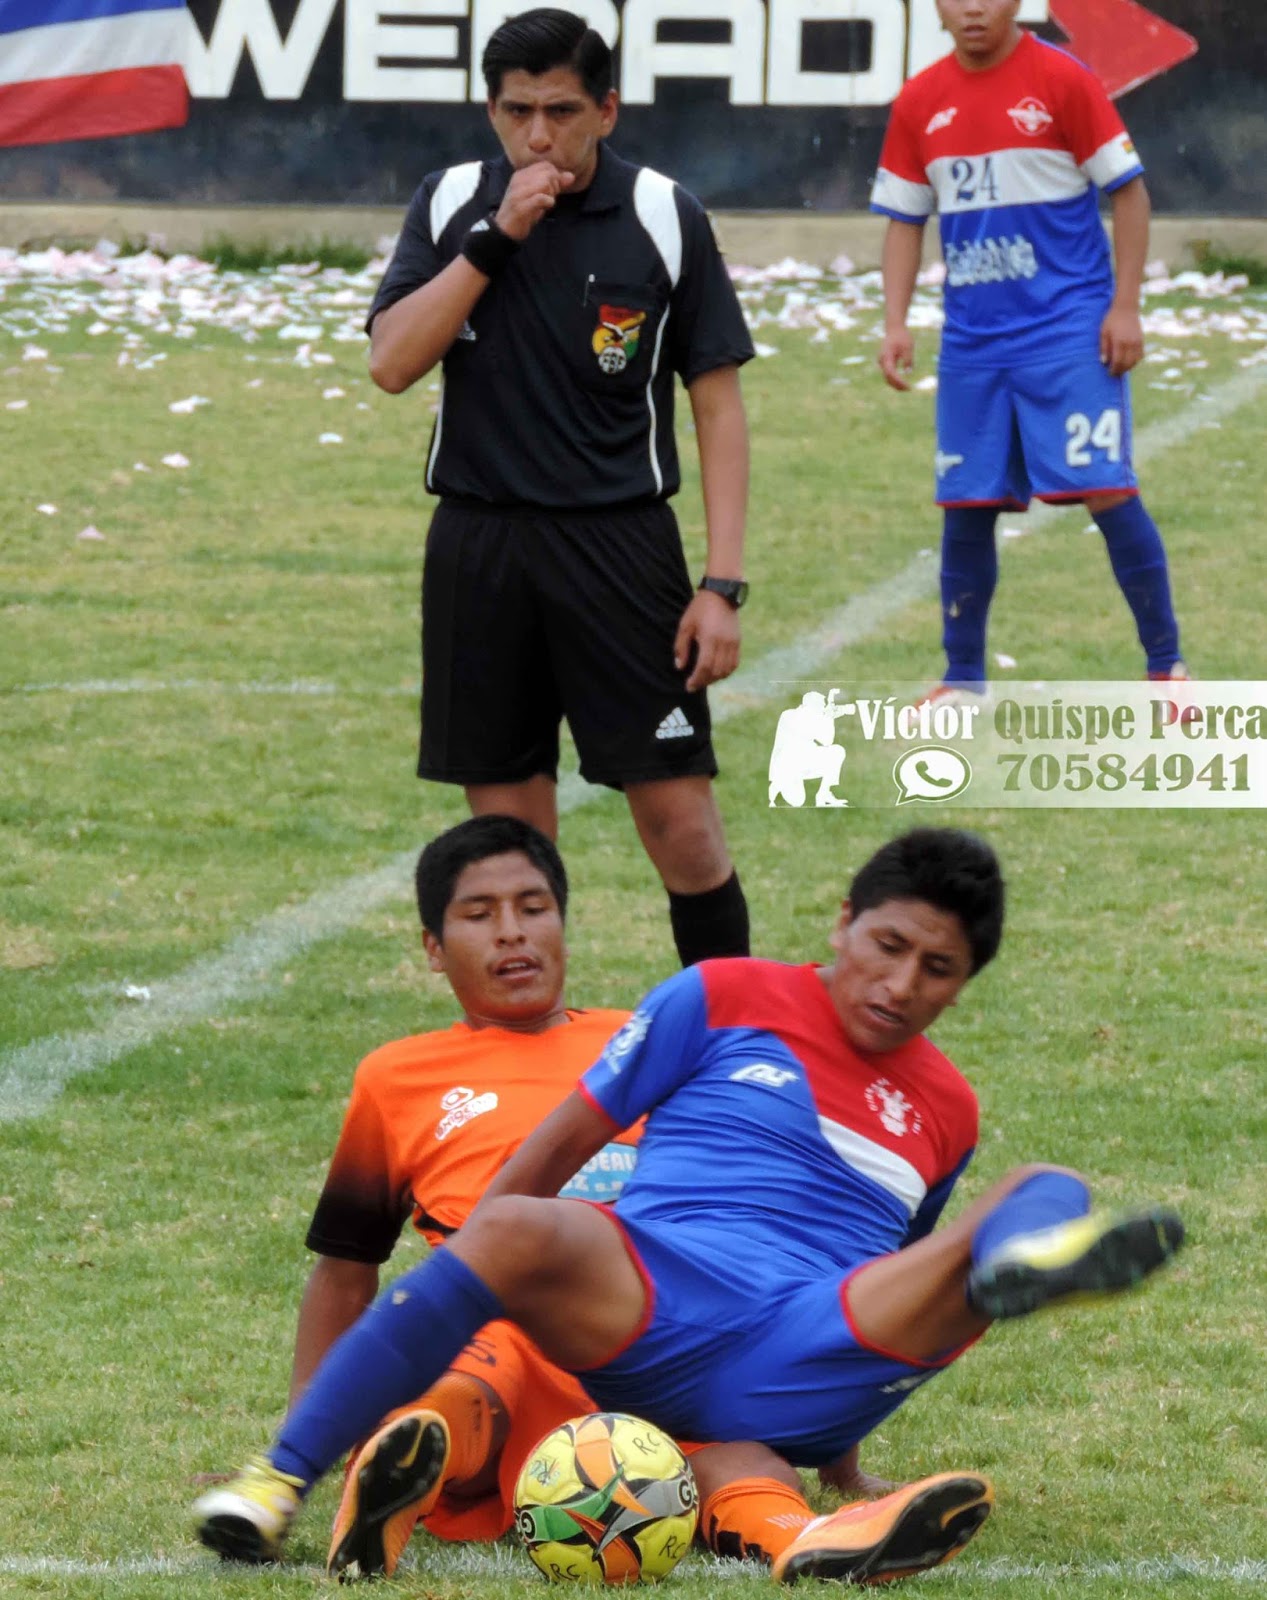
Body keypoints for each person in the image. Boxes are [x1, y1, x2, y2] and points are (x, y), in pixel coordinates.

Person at [196, 828, 1184, 1585]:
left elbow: (886, 1280)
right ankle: (278, 1481)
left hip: (804, 1347)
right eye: (886, 945)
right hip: (651, 1305)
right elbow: (551, 1155)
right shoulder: (715, 996)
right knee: (512, 1225)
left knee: (1042, 1185)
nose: (898, 984)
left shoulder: (948, 1108)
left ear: (963, 987)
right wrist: (484, 1285)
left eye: (937, 970)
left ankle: (1013, 1276)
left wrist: (845, 1462)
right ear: (842, 920)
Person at [198, 815, 893, 1580]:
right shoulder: (395, 1077)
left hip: (650, 1327)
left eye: (533, 908)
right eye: (478, 914)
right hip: (502, 1325)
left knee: (743, 1456)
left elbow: (774, 1224)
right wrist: (302, 1438)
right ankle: (388, 1489)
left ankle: (800, 1537)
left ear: (563, 923)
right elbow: (344, 1269)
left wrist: (841, 1457)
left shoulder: (647, 1038)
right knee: (465, 1384)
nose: (511, 932)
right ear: (433, 948)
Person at [364, 7, 755, 968]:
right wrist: (495, 237)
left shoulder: (663, 213)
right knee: (508, 853)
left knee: (682, 826)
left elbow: (717, 408)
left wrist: (721, 584)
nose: (538, 136)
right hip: (480, 548)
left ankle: (726, 1034)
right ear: (490, 112)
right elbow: (391, 362)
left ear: (606, 111)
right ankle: (532, 1045)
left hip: (620, 550)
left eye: (562, 111)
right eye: (517, 112)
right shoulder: (451, 202)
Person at [871, 0, 1192, 703]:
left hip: (1066, 331)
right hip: (973, 342)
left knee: (1107, 488)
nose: (973, 7)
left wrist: (1124, 306)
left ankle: (1166, 671)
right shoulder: (919, 101)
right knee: (966, 501)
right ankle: (963, 681)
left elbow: (1129, 194)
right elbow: (904, 219)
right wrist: (894, 322)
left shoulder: (1063, 80)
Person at [768, 689, 851, 807]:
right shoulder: (795, 717)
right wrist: (829, 718)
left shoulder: (793, 715)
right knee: (797, 801)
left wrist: (828, 716)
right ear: (810, 706)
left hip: (799, 763)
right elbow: (828, 741)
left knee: (837, 752)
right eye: (821, 707)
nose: (822, 710)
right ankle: (778, 785)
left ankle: (824, 794)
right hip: (789, 766)